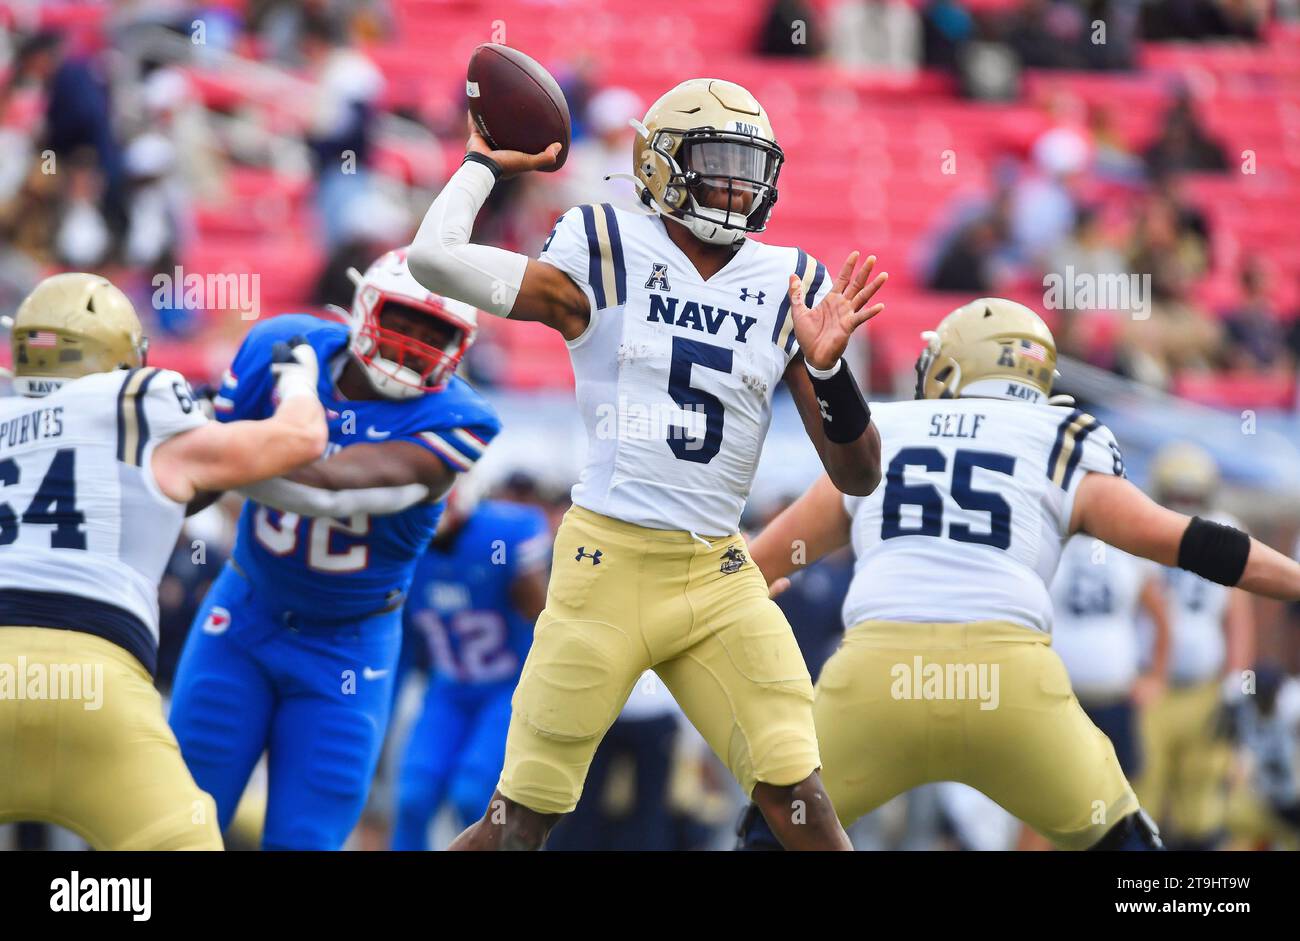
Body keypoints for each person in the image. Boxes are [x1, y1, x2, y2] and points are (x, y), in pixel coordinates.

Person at [408, 77, 888, 850]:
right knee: (522, 818)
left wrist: (830, 373)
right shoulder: (606, 246)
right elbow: (435, 261)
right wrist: (481, 164)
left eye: (751, 164)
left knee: (800, 796)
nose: (741, 183)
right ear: (662, 168)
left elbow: (859, 476)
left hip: (717, 571)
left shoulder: (787, 284)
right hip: (608, 563)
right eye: (720, 161)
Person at [736, 296, 1300, 850]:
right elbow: (1194, 544)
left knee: (772, 830)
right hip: (1009, 687)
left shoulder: (885, 428)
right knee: (1124, 842)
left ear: (956, 364)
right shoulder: (1058, 439)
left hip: (874, 681)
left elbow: (758, 566)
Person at [168, 249, 500, 850]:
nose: (415, 346)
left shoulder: (457, 418)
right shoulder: (281, 342)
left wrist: (220, 446)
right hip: (242, 618)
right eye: (404, 321)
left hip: (346, 650)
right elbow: (187, 496)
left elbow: (330, 489)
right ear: (366, 308)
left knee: (304, 840)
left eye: (437, 334)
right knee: (179, 825)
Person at [0, 272, 327, 849]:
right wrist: (298, 380)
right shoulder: (134, 401)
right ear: (123, 355)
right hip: (97, 684)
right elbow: (299, 439)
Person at [391, 483, 550, 849]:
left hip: (506, 687)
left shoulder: (504, 531)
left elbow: (539, 613)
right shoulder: (403, 551)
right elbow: (401, 646)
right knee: (412, 797)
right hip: (447, 688)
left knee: (472, 794)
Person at [1137, 441, 1255, 850]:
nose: (1185, 505)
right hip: (1152, 686)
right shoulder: (1140, 526)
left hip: (1204, 688)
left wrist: (1234, 687)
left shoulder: (1226, 532)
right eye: (1178, 496)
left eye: (1193, 496)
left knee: (1201, 805)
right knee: (1140, 797)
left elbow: (1237, 618)